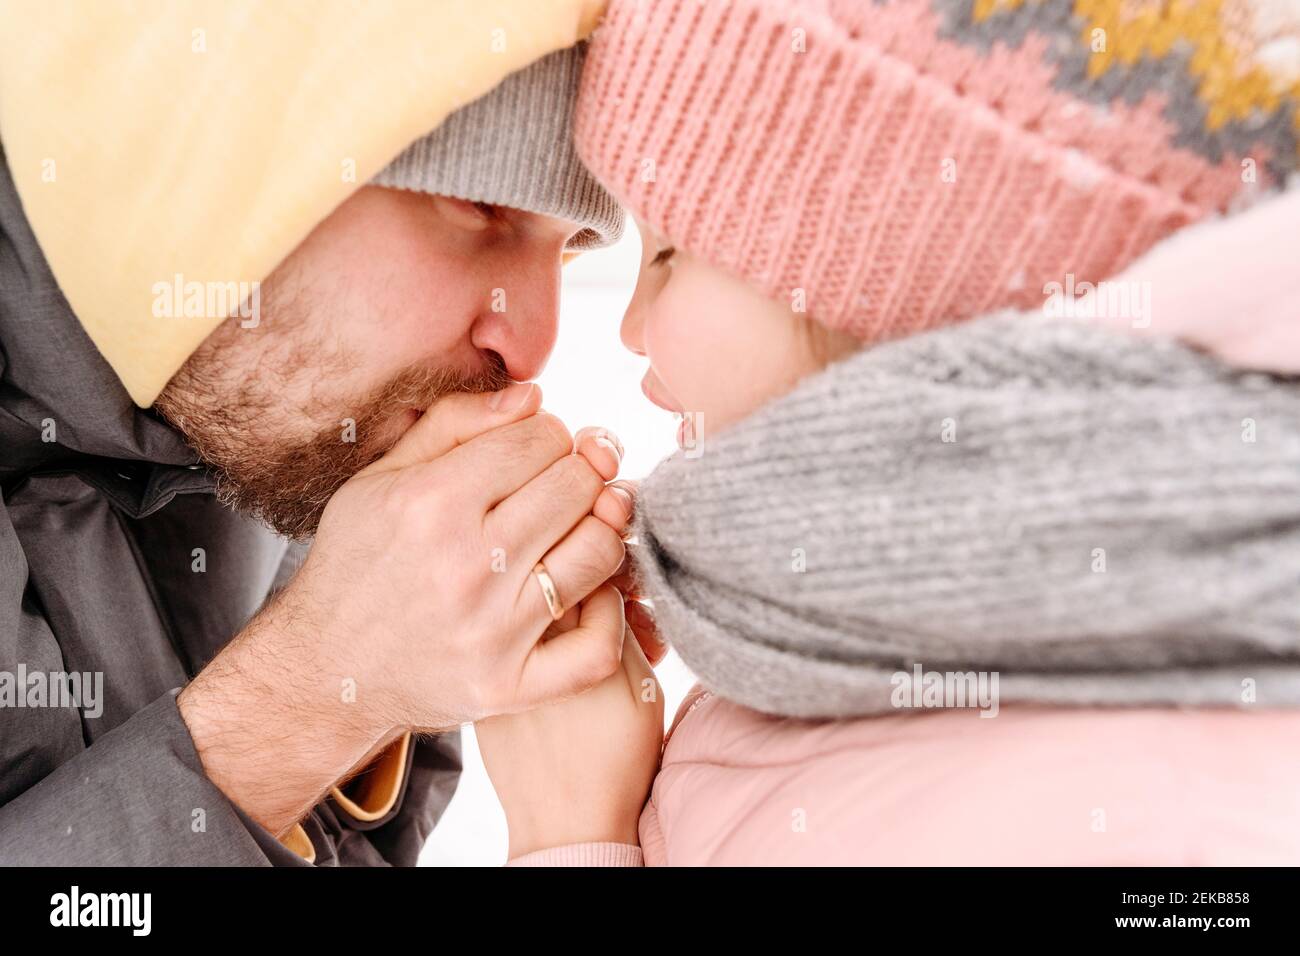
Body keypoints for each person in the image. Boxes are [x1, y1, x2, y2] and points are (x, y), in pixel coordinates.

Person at [477, 0, 1300, 865]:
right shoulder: (844, 645)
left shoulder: (1159, 818)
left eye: (674, 253)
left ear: (917, 291)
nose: (631, 328)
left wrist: (570, 835)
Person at [0, 0, 643, 866]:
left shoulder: (290, 422)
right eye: (481, 201)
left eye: (569, 249)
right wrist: (310, 692)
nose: (530, 344)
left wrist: (402, 675)